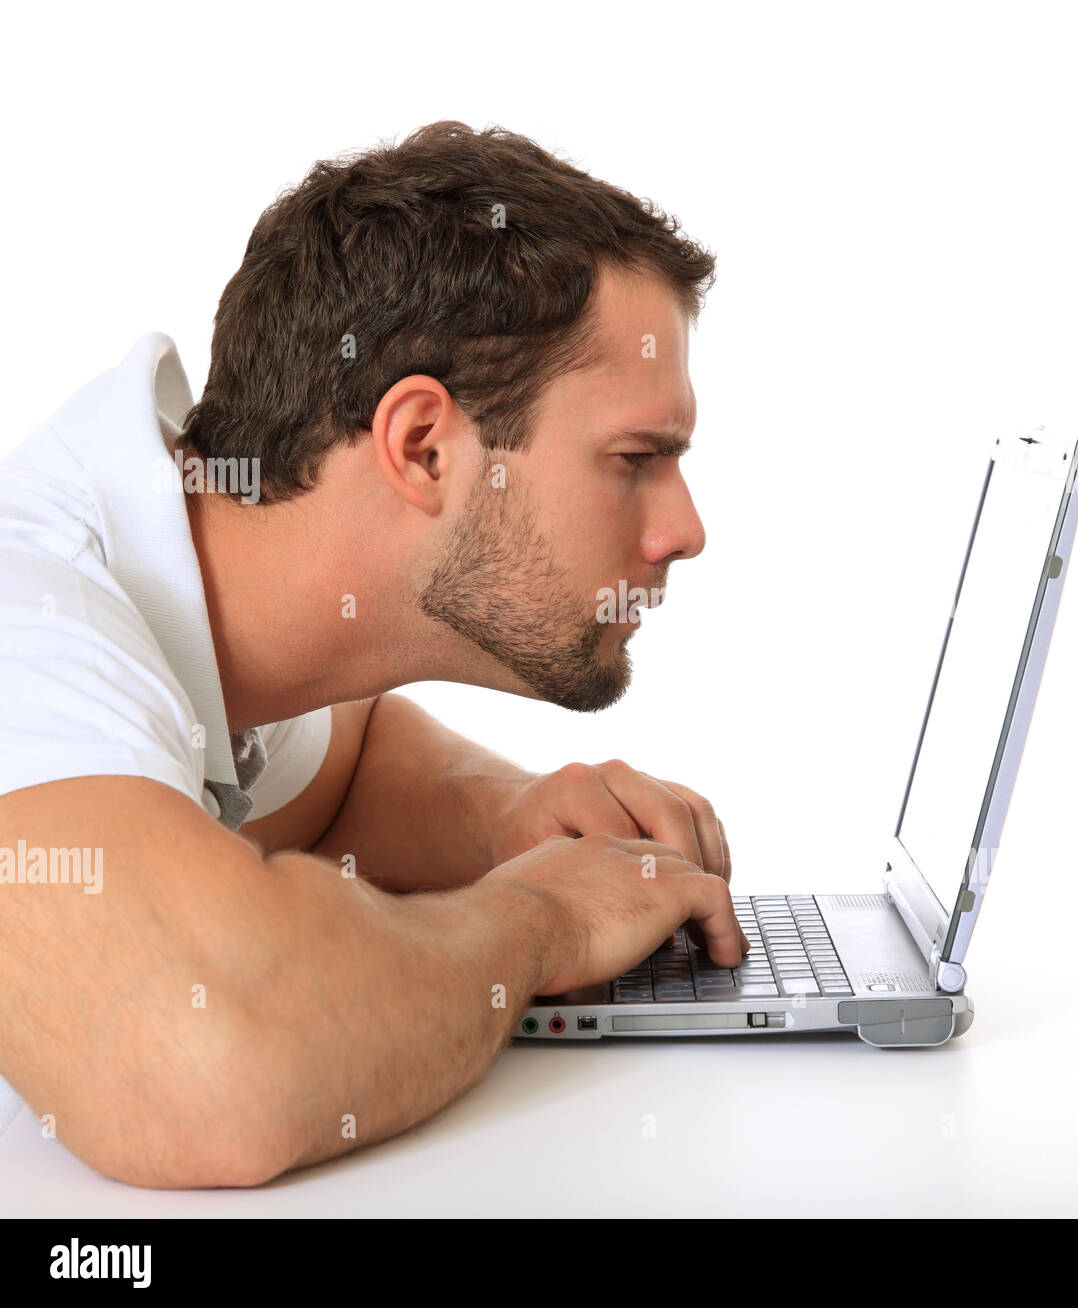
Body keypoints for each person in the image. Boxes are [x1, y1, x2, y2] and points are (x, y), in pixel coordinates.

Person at [0, 121, 747, 1187]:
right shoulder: (31, 629)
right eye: (635, 458)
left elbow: (331, 776)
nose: (684, 528)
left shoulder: (228, 605)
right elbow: (204, 1074)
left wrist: (510, 818)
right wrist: (538, 921)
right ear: (422, 447)